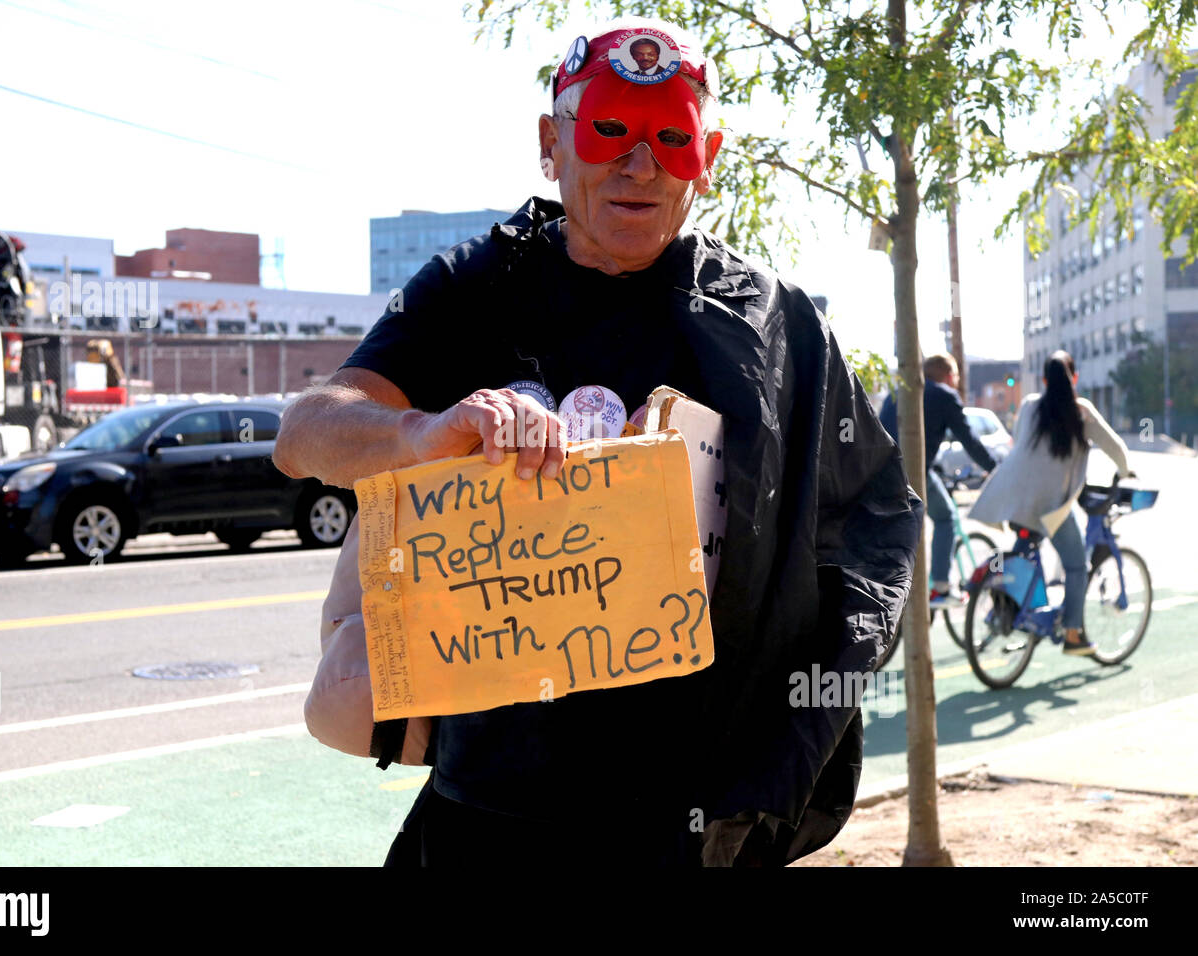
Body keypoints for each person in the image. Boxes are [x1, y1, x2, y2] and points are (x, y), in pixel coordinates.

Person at [274, 19, 922, 867]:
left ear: (708, 155)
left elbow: (874, 525)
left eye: (672, 139)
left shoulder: (773, 324)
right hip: (493, 813)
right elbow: (304, 434)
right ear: (553, 143)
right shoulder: (476, 287)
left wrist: (785, 752)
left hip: (686, 826)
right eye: (610, 129)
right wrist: (424, 432)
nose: (641, 164)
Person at [968, 351, 1131, 654]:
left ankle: (1004, 608)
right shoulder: (1081, 412)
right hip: (1048, 505)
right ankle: (1072, 633)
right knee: (1077, 566)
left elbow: (1020, 444)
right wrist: (1126, 471)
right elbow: (1115, 448)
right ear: (1075, 378)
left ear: (1043, 380)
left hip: (1013, 495)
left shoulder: (1030, 405)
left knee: (1022, 551)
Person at [879, 353, 996, 608]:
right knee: (945, 518)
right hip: (910, 468)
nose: (954, 382)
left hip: (879, 469)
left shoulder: (899, 390)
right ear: (947, 375)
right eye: (954, 376)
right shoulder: (944, 395)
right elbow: (970, 440)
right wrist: (994, 469)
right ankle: (941, 587)